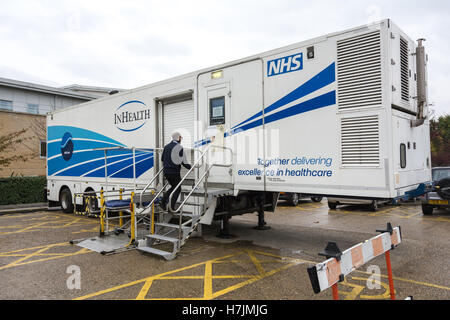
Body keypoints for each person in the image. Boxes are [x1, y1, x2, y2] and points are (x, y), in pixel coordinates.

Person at [160, 132, 192, 211]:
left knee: (174, 187)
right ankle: (171, 207)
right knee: (177, 189)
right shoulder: (179, 147)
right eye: (181, 137)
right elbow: (183, 162)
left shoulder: (166, 147)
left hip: (166, 172)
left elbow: (162, 159)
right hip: (174, 172)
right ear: (178, 138)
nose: (181, 139)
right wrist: (191, 167)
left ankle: (163, 202)